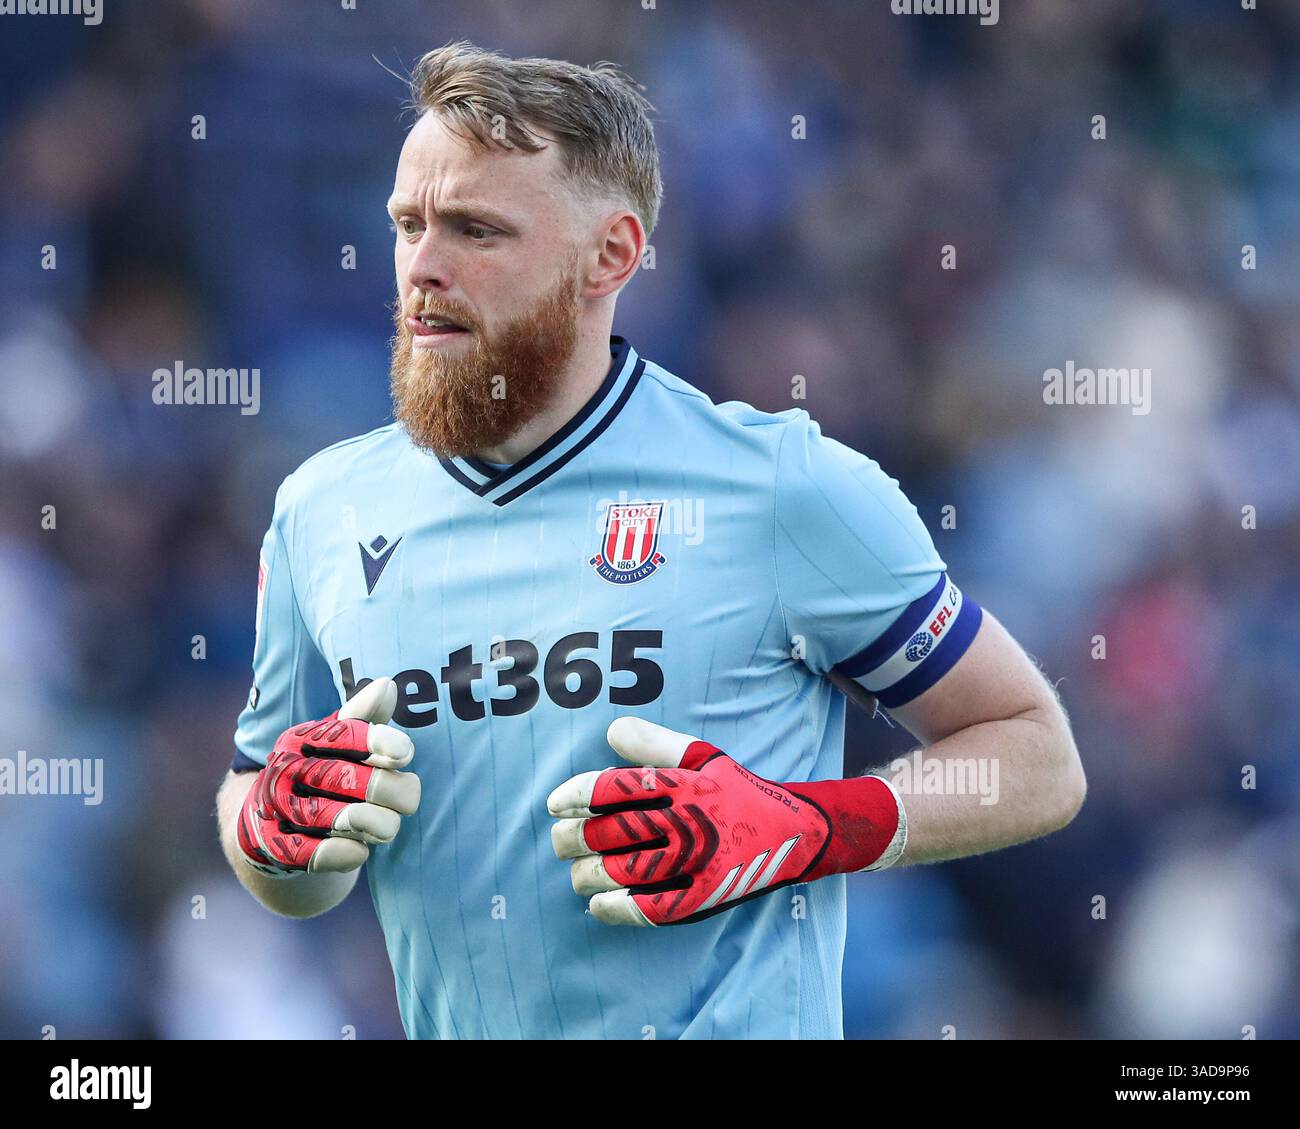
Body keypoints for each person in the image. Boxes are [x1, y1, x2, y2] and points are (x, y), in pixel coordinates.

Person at [216, 40, 1085, 1040]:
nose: (422, 267)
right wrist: (268, 830)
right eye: (408, 225)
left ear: (612, 255)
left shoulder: (781, 487)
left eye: (475, 229)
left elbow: (1035, 753)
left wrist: (803, 826)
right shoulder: (319, 508)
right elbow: (280, 841)